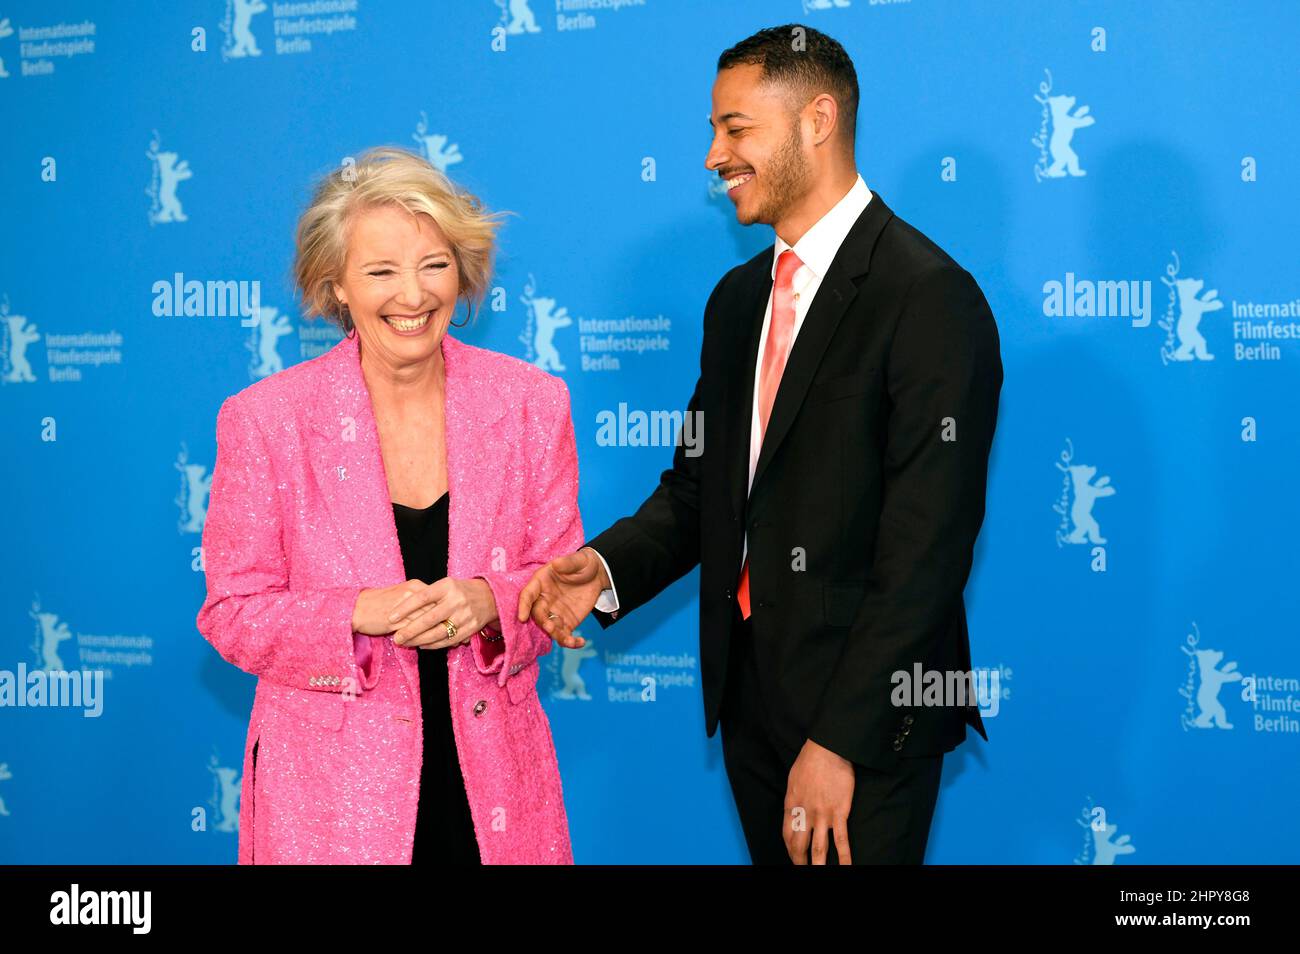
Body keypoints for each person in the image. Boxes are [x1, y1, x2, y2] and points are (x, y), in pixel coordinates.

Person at [519, 25, 1002, 865]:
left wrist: (838, 743)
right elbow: (702, 491)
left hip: (864, 728)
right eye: (714, 130)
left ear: (817, 119)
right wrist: (601, 571)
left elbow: (926, 552)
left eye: (735, 129)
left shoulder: (928, 296)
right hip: (751, 709)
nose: (713, 155)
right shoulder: (738, 299)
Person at [197, 146, 580, 864]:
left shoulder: (532, 403)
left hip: (494, 796)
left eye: (434, 264)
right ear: (334, 285)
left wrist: (492, 600)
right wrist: (352, 614)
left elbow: (561, 586)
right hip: (329, 806)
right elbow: (231, 613)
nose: (413, 295)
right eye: (380, 271)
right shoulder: (267, 420)